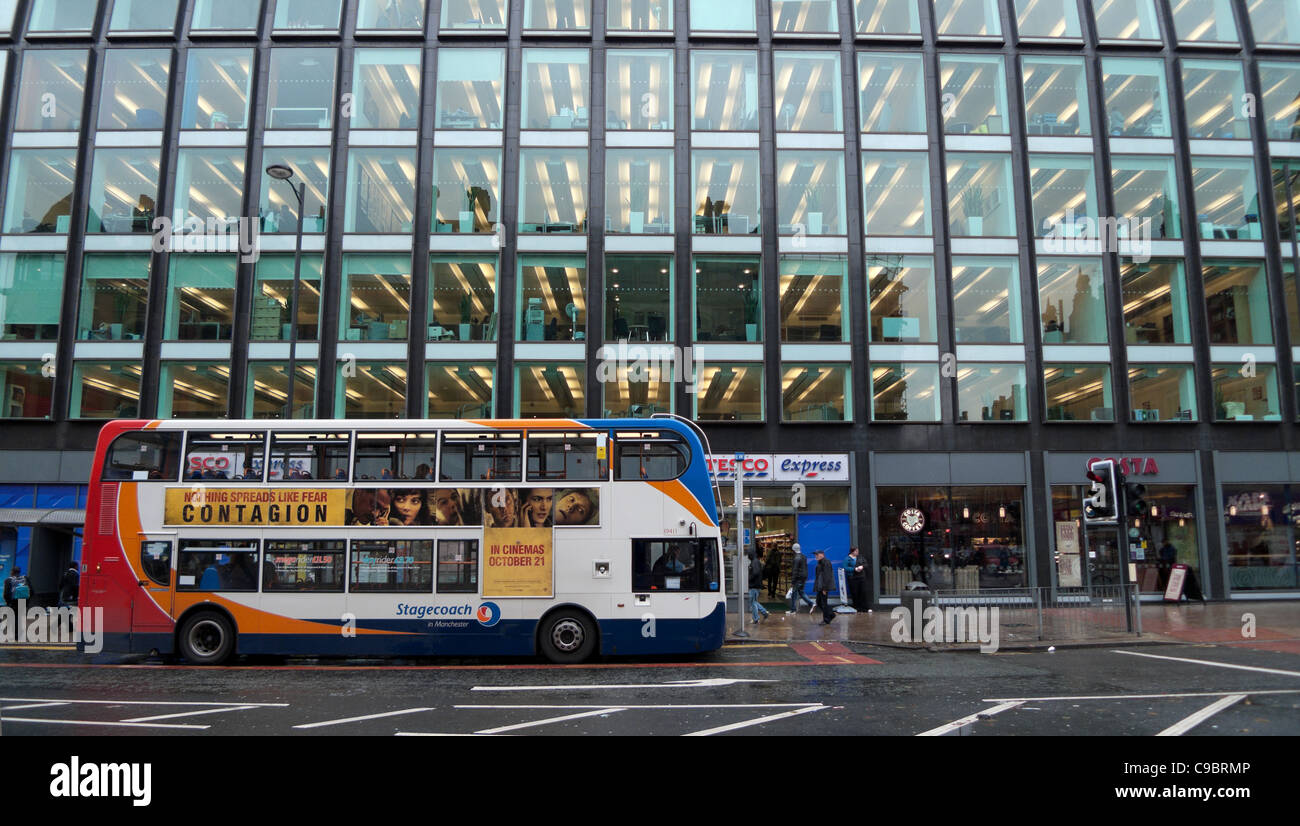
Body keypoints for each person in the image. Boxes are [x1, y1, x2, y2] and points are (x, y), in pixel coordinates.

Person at [787, 542, 814, 614]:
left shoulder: (796, 558)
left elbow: (795, 570)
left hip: (798, 578)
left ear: (793, 550)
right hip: (803, 577)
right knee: (801, 592)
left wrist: (792, 581)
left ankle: (793, 610)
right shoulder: (803, 557)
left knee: (794, 594)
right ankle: (811, 603)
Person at [813, 550, 836, 625]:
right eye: (815, 555)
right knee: (819, 602)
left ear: (822, 554)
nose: (815, 556)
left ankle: (826, 619)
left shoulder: (826, 562)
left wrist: (825, 588)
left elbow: (827, 576)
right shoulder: (820, 563)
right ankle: (831, 614)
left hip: (823, 587)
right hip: (820, 586)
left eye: (817, 554)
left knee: (823, 603)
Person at [747, 551, 770, 623]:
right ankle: (764, 612)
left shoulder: (755, 562)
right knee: (754, 601)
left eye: (748, 554)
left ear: (751, 555)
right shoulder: (755, 561)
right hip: (755, 585)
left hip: (754, 585)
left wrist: (749, 579)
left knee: (752, 602)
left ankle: (756, 619)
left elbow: (755, 572)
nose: (748, 556)